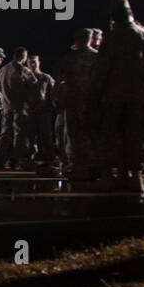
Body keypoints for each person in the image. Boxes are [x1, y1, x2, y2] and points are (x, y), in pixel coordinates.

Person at [90, 1, 144, 192]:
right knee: (134, 136)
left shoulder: (113, 37)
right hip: (138, 95)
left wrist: (94, 95)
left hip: (114, 95)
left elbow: (102, 69)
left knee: (110, 135)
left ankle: (108, 176)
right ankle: (135, 176)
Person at [53, 27, 100, 183]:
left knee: (74, 136)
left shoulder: (69, 58)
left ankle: (80, 168)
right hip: (90, 102)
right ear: (91, 39)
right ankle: (93, 167)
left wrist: (58, 99)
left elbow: (59, 80)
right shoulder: (97, 57)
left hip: (73, 102)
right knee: (90, 135)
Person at [0, 48, 35, 169]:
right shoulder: (23, 70)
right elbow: (33, 85)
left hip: (6, 105)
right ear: (24, 57)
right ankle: (16, 160)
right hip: (19, 107)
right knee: (19, 135)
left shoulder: (3, 69)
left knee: (5, 133)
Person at [27, 54, 59, 172]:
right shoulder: (25, 78)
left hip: (44, 112)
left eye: (34, 62)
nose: (32, 64)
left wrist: (51, 105)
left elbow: (53, 92)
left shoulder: (46, 78)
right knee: (30, 138)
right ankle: (30, 160)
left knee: (46, 137)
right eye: (30, 62)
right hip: (30, 112)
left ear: (39, 62)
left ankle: (50, 160)